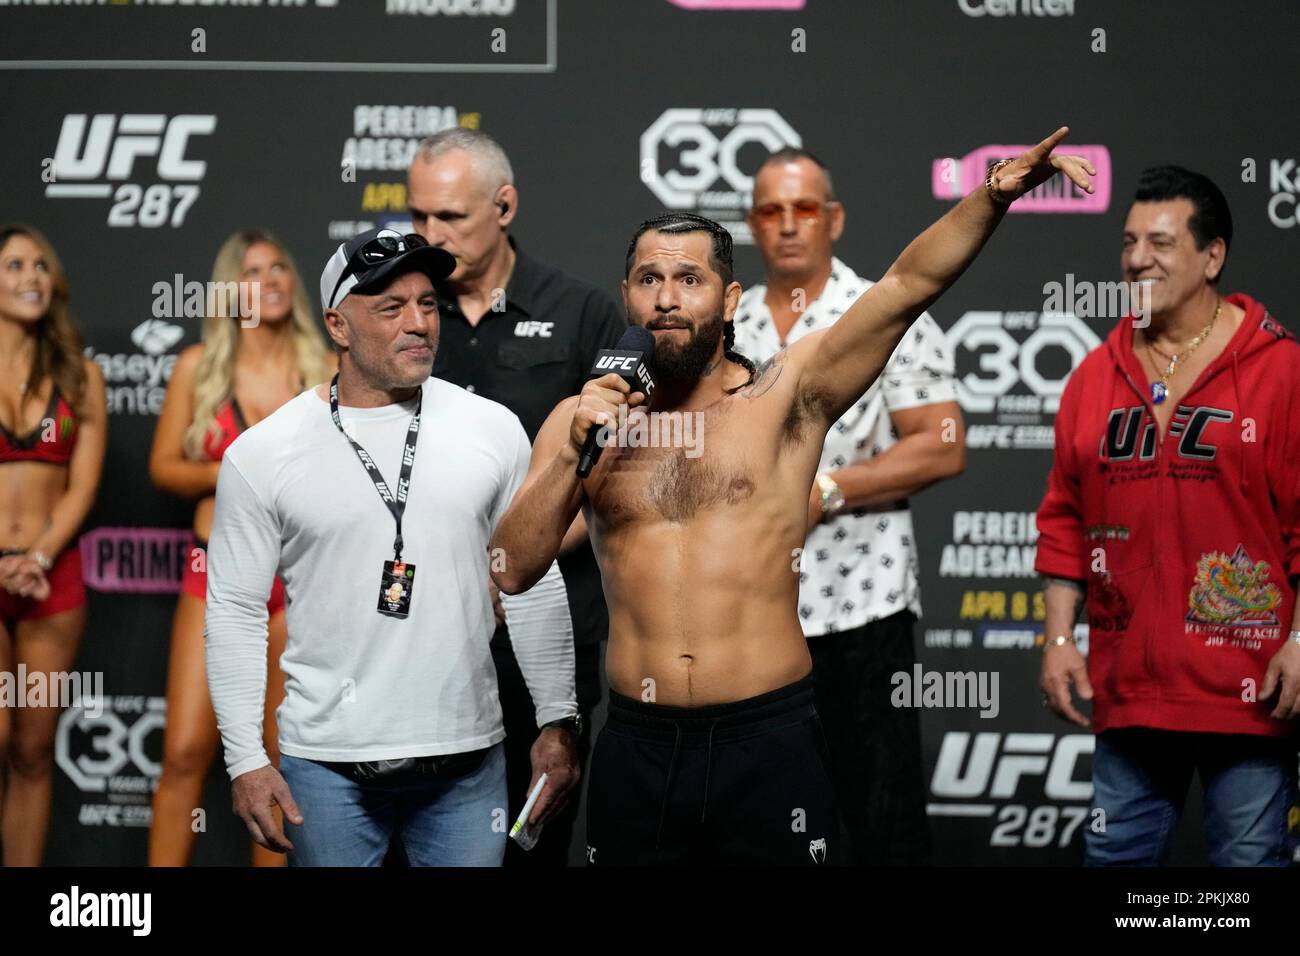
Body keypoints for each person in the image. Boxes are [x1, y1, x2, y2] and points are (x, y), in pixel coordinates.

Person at [492, 128, 1093, 865]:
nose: (667, 299)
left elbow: (906, 286)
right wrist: (576, 452)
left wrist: (994, 192)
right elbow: (513, 567)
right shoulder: (583, 416)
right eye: (648, 280)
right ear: (625, 296)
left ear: (730, 297)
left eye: (690, 280)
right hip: (641, 744)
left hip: (766, 741)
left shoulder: (788, 398)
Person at [204, 227, 580, 866]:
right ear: (338, 326)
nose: (419, 324)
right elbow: (236, 610)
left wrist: (558, 719)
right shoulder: (262, 454)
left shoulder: (491, 429)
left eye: (428, 304)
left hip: (468, 762)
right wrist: (244, 756)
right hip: (325, 768)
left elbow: (530, 577)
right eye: (391, 308)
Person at [1036, 165, 1300, 867]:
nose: (1135, 258)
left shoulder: (1281, 371)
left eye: (1159, 241)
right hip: (1128, 695)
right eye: (1128, 241)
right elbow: (1064, 519)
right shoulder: (1096, 374)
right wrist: (1059, 639)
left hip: (1249, 694)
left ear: (1212, 257)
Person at [732, 147, 965, 866]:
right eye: (772, 211)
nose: (789, 225)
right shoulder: (726, 325)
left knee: (881, 815)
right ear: (752, 223)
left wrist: (829, 491)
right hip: (748, 611)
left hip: (862, 607)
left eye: (805, 209)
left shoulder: (883, 313)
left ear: (833, 218)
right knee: (760, 822)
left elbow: (941, 443)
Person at [408, 128, 626, 865]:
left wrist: (508, 565)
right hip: (419, 636)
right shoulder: (400, 318)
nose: (430, 238)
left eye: (449, 219)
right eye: (418, 219)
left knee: (531, 844)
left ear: (504, 206)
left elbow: (602, 477)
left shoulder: (583, 313)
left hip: (547, 632)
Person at [148, 230, 334, 866]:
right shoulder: (198, 368)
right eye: (253, 271)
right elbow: (165, 468)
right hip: (216, 570)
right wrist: (243, 471)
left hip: (302, 577)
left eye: (280, 265)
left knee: (283, 759)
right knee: (183, 752)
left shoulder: (328, 367)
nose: (272, 279)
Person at [0, 224, 107, 866]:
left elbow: (83, 486)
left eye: (41, 265)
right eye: (13, 265)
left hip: (51, 580)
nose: (31, 277)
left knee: (33, 752)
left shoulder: (80, 375)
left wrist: (35, 558)